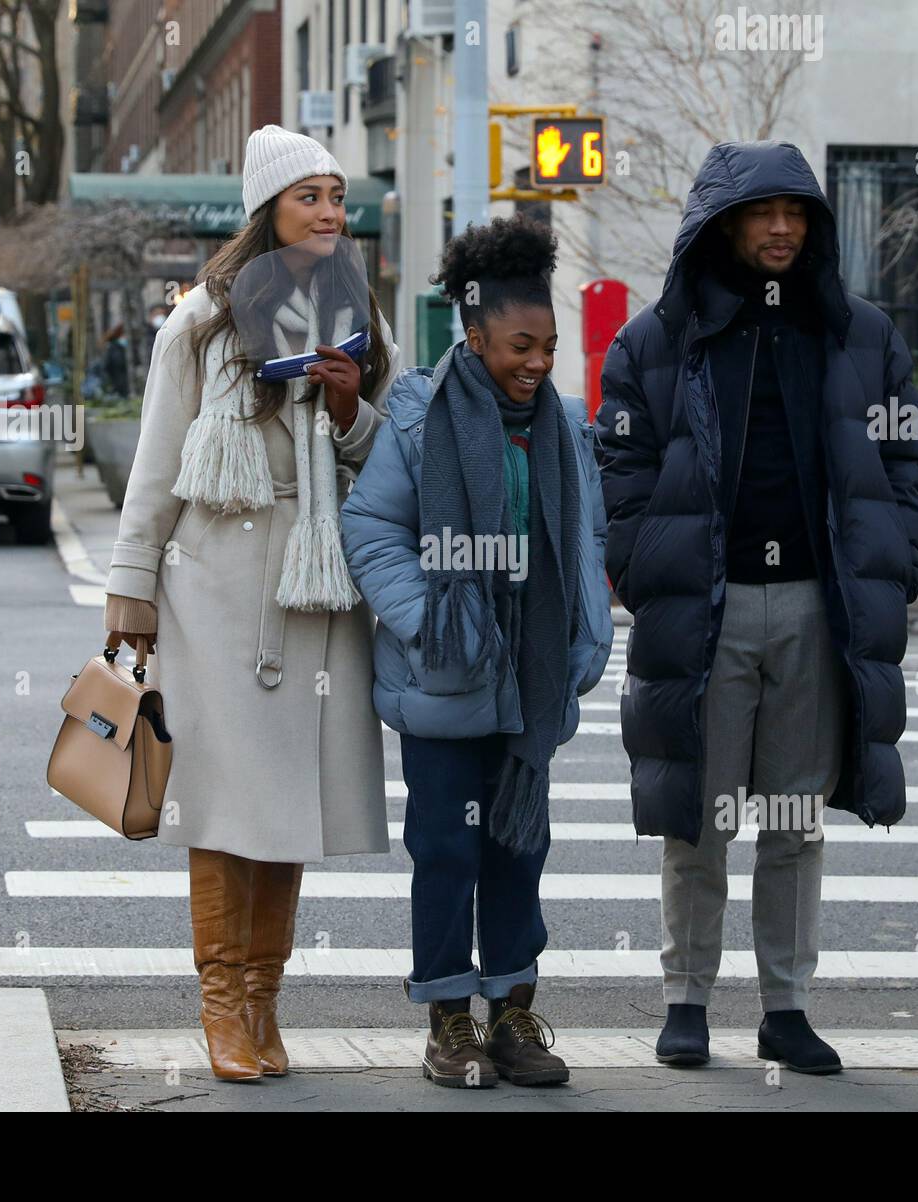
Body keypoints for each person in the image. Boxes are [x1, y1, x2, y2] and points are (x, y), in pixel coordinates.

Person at [596, 140, 918, 1074]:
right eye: (762, 213)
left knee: (794, 820)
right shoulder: (656, 339)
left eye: (796, 214)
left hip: (818, 611)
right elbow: (618, 464)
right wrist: (642, 565)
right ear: (722, 225)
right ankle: (686, 1000)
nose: (782, 228)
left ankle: (786, 1008)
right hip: (705, 613)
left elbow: (908, 456)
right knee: (698, 820)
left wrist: (894, 560)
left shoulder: (859, 333)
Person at [102, 124, 402, 1082]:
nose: (329, 211)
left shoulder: (360, 313)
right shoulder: (202, 320)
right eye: (309, 195)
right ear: (267, 208)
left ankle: (266, 1003)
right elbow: (157, 462)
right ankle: (222, 1005)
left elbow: (389, 457)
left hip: (317, 583)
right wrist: (130, 585)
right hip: (215, 588)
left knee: (288, 804)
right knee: (226, 800)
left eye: (337, 196)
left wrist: (351, 409)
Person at [340, 215, 613, 1088]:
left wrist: (588, 632)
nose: (537, 363)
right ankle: (449, 1023)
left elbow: (587, 538)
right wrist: (431, 621)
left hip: (531, 680)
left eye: (549, 347)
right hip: (446, 680)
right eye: (520, 347)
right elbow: (370, 527)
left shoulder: (563, 425)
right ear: (474, 333)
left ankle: (514, 1018)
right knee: (448, 851)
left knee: (519, 850)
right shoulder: (420, 419)